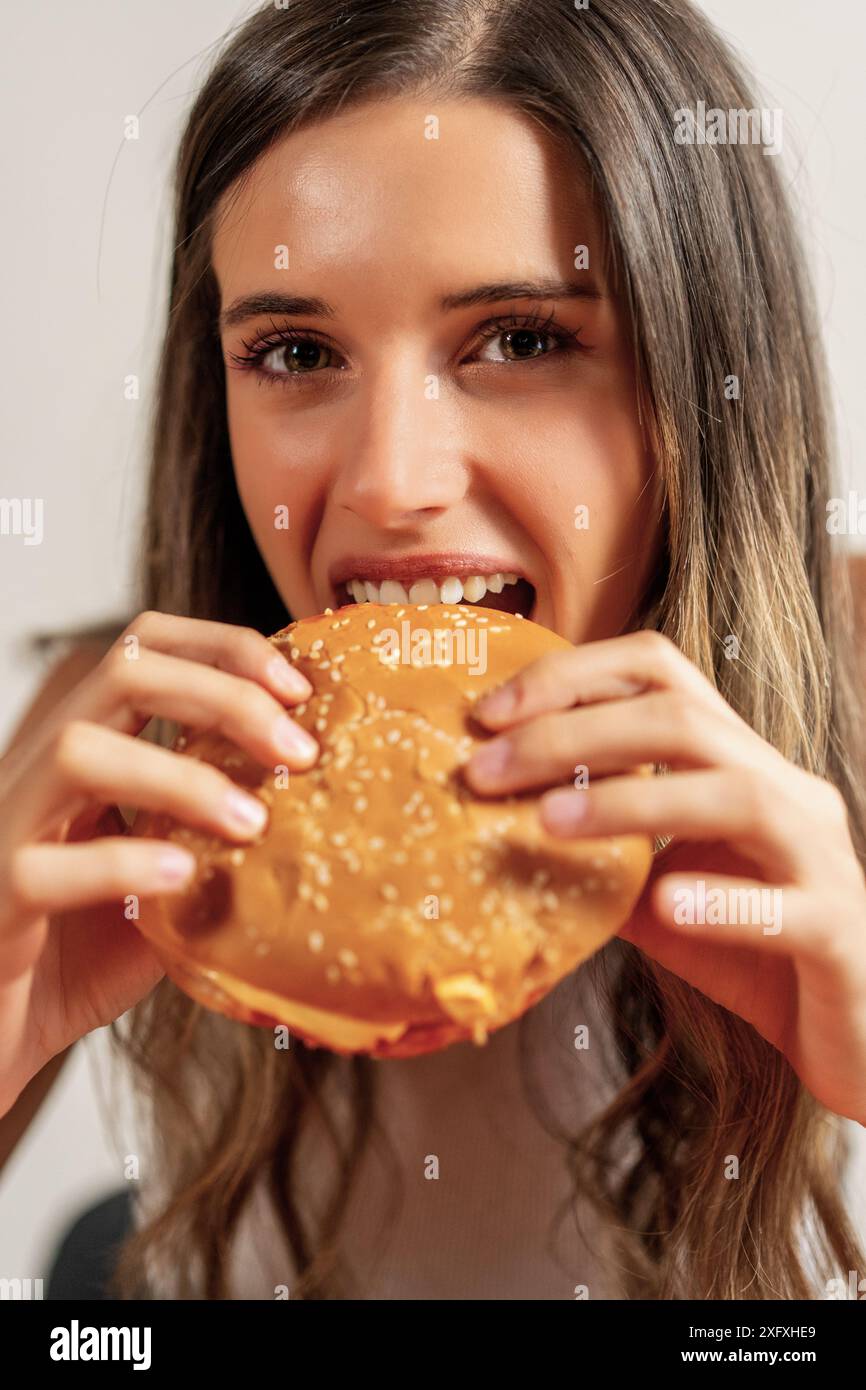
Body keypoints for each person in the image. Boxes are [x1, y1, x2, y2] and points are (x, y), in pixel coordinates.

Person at [2, 0, 865, 1300]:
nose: (390, 482)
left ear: (700, 373)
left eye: (520, 340)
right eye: (294, 351)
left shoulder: (847, 698)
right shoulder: (131, 764)